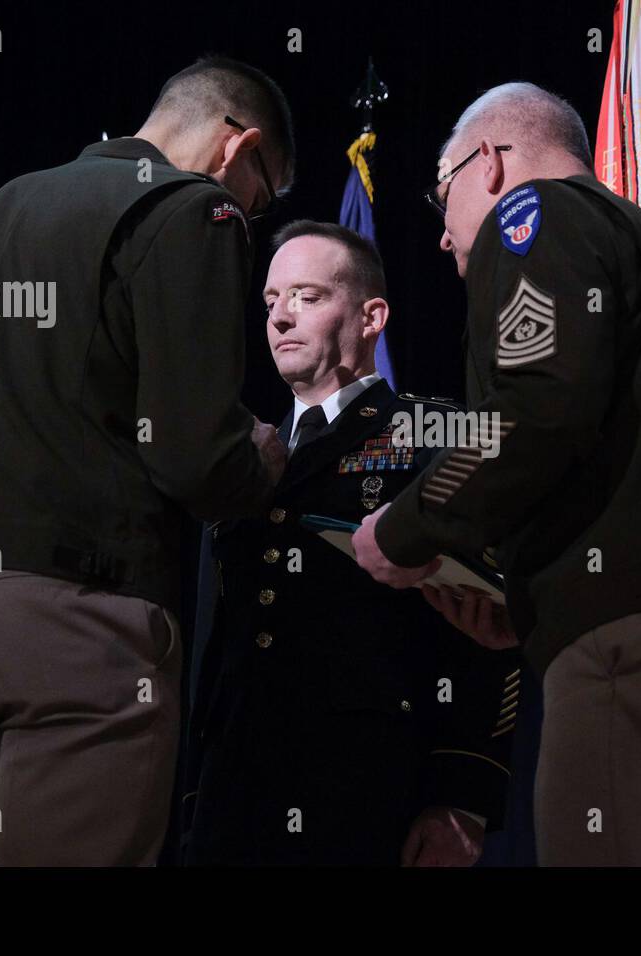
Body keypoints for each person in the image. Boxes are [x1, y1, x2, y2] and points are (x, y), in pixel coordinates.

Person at [352, 82, 641, 866]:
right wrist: (528, 602)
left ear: (493, 163)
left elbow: (538, 407)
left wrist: (402, 531)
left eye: (443, 190)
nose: (440, 235)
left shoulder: (531, 220)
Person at [0, 56, 292, 866]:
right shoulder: (191, 209)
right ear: (237, 149)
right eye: (264, 196)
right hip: (77, 628)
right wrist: (258, 463)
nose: (252, 214)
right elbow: (195, 458)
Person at [182, 221, 518, 866]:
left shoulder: (435, 434)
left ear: (372, 316)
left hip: (369, 790)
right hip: (236, 797)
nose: (281, 318)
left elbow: (487, 632)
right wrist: (197, 792)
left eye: (307, 296)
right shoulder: (242, 460)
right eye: (272, 301)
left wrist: (464, 794)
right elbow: (218, 642)